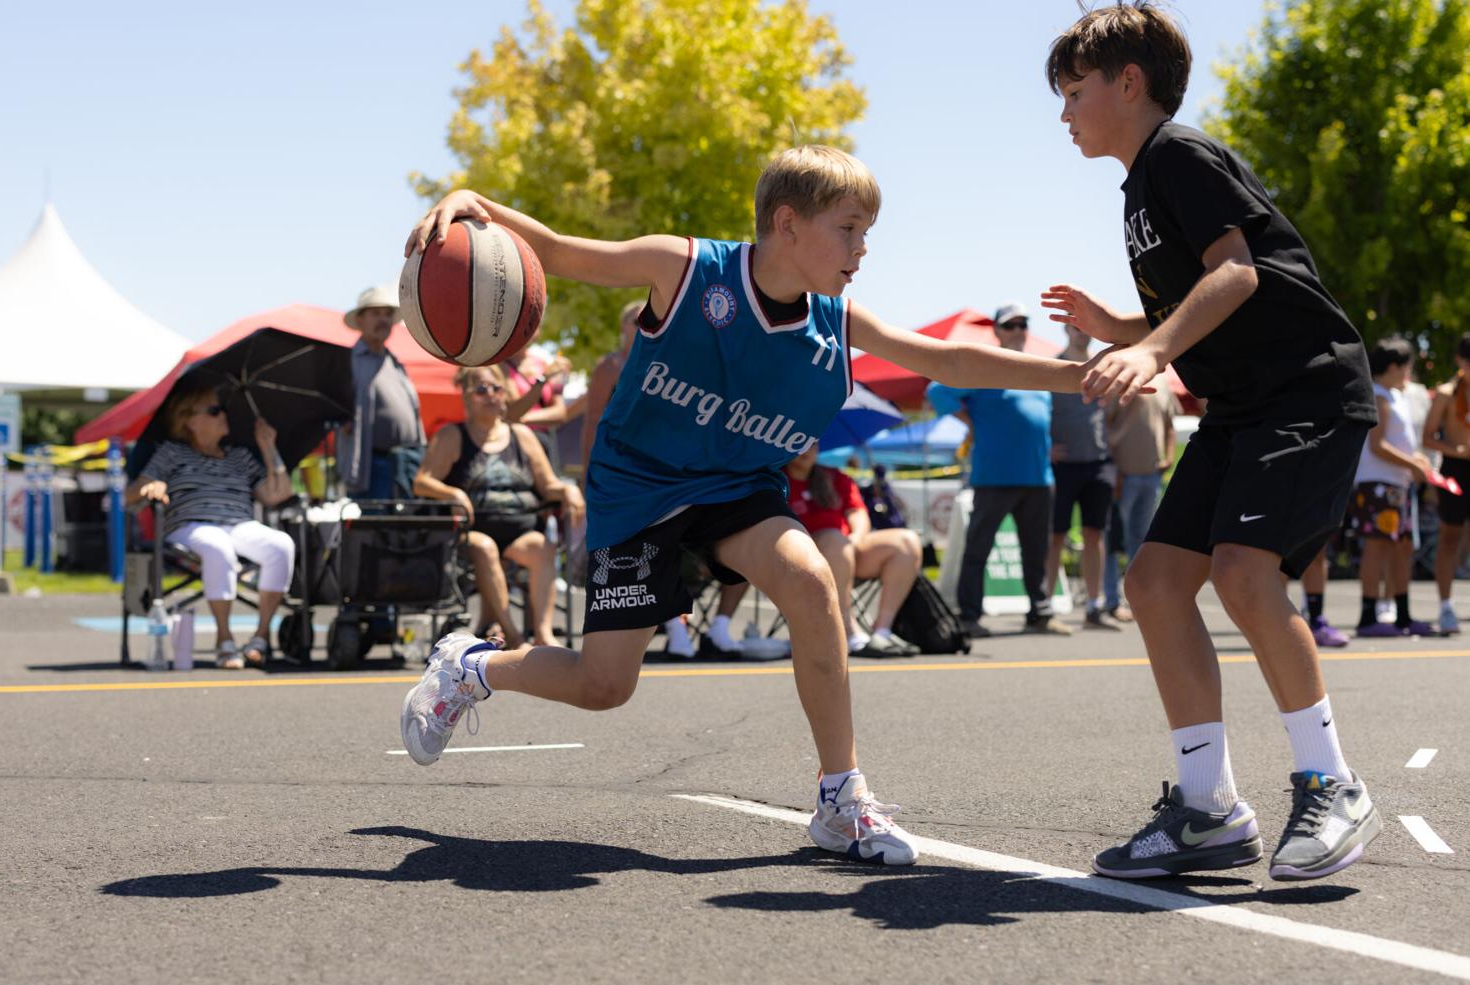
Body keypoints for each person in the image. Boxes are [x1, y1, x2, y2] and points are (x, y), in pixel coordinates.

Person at [396, 144, 1094, 865]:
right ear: (788, 223)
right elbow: (556, 250)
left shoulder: (837, 324)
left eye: (867, 234)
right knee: (605, 686)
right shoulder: (686, 269)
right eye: (849, 229)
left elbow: (947, 362)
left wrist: (1081, 377)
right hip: (641, 489)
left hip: (736, 488)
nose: (862, 249)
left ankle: (841, 799)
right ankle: (473, 667)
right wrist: (471, 201)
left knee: (810, 579)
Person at [1044, 2, 1382, 881]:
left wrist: (1149, 350)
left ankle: (1332, 781)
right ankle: (1208, 809)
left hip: (1306, 388)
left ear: (1129, 83)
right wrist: (1121, 322)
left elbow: (1235, 272)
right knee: (1154, 581)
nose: (1065, 113)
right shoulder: (1140, 190)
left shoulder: (1180, 155)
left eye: (1075, 92)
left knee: (1241, 569)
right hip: (1241, 405)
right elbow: (1187, 303)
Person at [581, 300, 748, 658]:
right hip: (627, 480)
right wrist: (588, 480)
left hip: (679, 476)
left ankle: (716, 628)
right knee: (658, 541)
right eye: (634, 319)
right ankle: (675, 627)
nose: (643, 324)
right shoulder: (609, 368)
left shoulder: (680, 362)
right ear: (624, 327)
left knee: (748, 530)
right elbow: (592, 424)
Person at [413, 363, 585, 648]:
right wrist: (453, 493)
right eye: (481, 389)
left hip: (521, 528)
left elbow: (547, 484)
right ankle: (515, 637)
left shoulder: (522, 435)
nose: (491, 395)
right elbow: (422, 482)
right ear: (466, 397)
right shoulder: (452, 435)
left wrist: (569, 491)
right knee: (486, 549)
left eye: (497, 388)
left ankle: (543, 634)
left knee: (543, 548)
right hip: (473, 531)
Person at [927, 303, 1073, 640]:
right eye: (1011, 325)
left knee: (1036, 551)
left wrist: (1045, 445)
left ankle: (1040, 614)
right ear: (997, 331)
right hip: (993, 477)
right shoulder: (984, 367)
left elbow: (1036, 420)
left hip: (1038, 477)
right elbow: (936, 390)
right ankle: (969, 617)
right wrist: (969, 421)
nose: (1019, 331)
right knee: (978, 549)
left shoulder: (1038, 370)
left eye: (1023, 324)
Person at [125, 386, 295, 668]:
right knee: (218, 545)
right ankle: (224, 640)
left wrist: (269, 447)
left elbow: (278, 494)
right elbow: (131, 495)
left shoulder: (239, 457)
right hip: (191, 526)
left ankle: (260, 638)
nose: (223, 416)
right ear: (189, 420)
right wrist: (151, 485)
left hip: (239, 524)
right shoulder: (171, 453)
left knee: (281, 545)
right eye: (214, 411)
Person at [784, 443, 921, 657]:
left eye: (812, 445)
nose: (806, 450)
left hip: (847, 551)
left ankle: (882, 631)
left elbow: (857, 513)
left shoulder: (835, 477)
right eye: (799, 444)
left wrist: (855, 539)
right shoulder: (777, 480)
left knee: (907, 541)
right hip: (800, 558)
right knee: (834, 539)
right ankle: (846, 629)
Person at [1349, 338, 1433, 638]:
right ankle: (1368, 615)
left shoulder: (1396, 395)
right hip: (1378, 485)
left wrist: (1416, 460)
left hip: (1397, 485)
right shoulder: (1379, 394)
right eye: (1406, 365)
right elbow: (1378, 444)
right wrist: (1412, 463)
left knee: (1402, 549)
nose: (1409, 372)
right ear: (1395, 366)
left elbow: (1398, 442)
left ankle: (1403, 614)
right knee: (1377, 548)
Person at [1045, 322, 1122, 630]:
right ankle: (1044, 608)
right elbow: (1038, 410)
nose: (1081, 331)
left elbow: (1114, 413)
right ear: (1065, 329)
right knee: (1055, 537)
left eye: (1085, 327)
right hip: (1063, 466)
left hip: (1099, 463)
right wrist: (1045, 447)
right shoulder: (1053, 365)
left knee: (1095, 534)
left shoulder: (1105, 365)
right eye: (1075, 327)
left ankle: (1094, 606)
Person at [339, 286, 426, 499]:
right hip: (373, 464)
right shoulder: (348, 361)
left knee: (406, 528)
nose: (383, 320)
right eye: (375, 313)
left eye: (387, 314)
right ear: (360, 320)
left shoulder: (394, 362)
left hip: (407, 462)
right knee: (375, 526)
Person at [1104, 380, 1180, 621]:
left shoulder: (1164, 386)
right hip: (1123, 477)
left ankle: (1138, 601)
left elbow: (1169, 425)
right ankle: (1112, 600)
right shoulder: (1122, 382)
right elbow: (1106, 425)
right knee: (1114, 540)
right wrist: (1113, 470)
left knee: (1142, 542)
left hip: (1151, 475)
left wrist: (1168, 457)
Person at [1419, 331, 1470, 635]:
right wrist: (1455, 450)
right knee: (1450, 536)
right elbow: (1428, 436)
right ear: (1460, 361)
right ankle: (1445, 605)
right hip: (1455, 469)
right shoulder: (1447, 393)